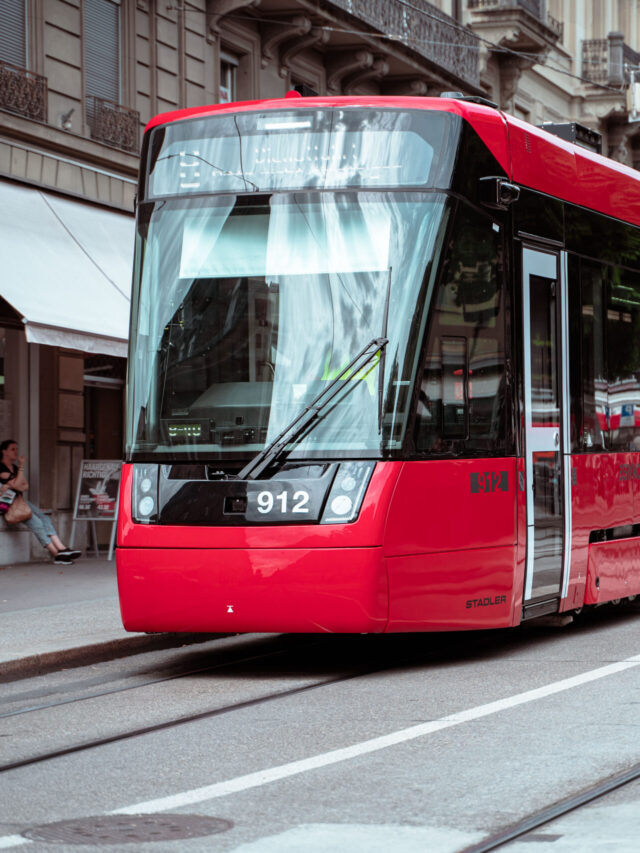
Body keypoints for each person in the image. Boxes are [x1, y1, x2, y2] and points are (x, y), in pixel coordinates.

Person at [0, 439, 81, 565]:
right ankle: (57, 554)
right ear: (4, 451)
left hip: (21, 500)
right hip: (9, 504)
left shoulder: (14, 468)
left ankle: (62, 549)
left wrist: (14, 484)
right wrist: (21, 468)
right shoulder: (1, 467)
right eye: (12, 449)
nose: (16, 452)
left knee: (44, 517)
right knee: (37, 524)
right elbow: (17, 485)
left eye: (16, 448)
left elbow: (25, 486)